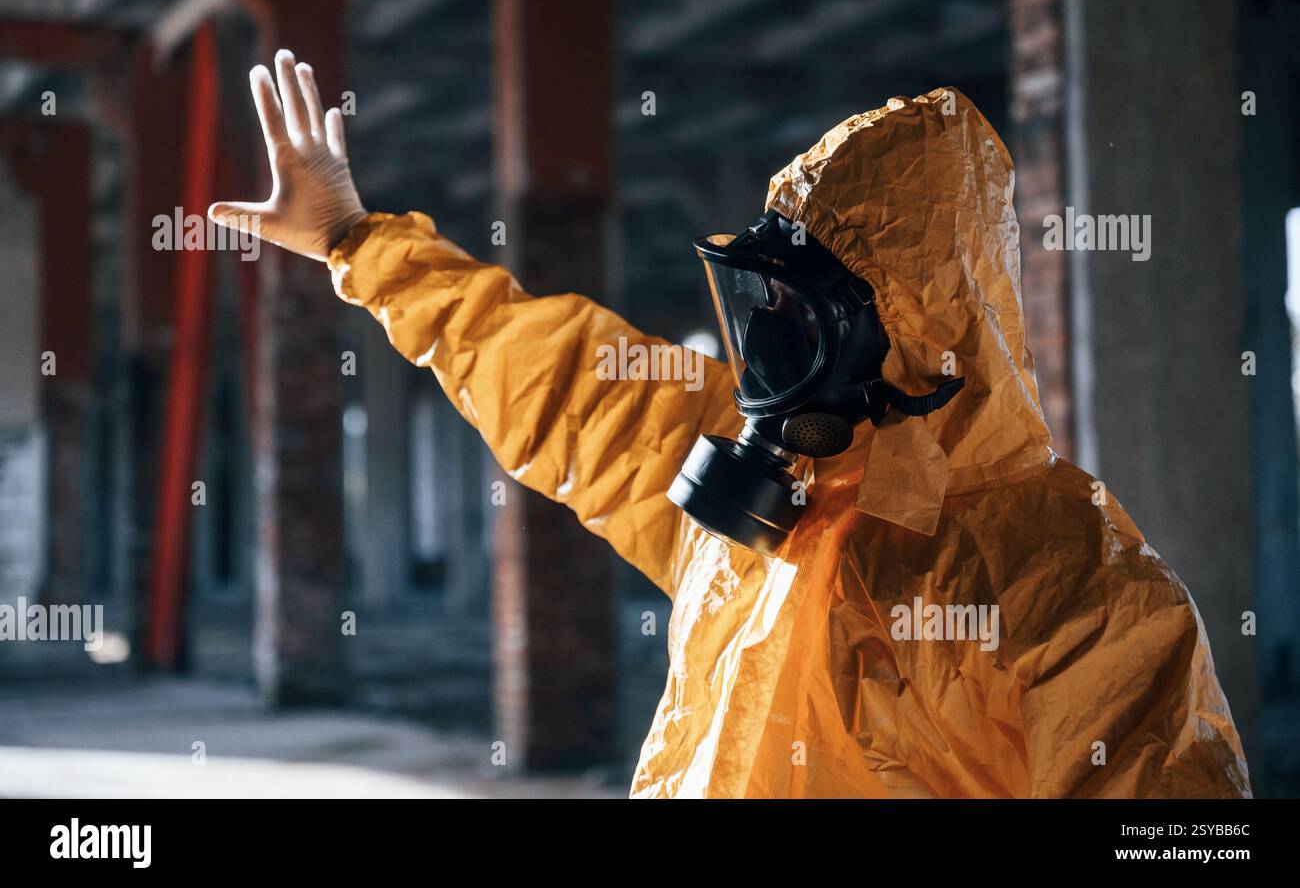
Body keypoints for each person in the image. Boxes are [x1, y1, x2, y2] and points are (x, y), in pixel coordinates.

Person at [210, 49, 1251, 798]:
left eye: (799, 319)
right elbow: (560, 383)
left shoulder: (1072, 586)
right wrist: (355, 240)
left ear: (919, 332)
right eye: (759, 313)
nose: (766, 356)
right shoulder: (770, 504)